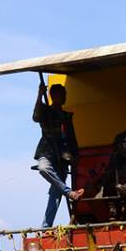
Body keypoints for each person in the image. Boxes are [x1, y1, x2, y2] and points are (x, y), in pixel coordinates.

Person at [33, 82, 84, 227]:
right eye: (62, 94)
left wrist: (75, 155)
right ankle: (70, 193)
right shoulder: (46, 112)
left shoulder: (66, 116)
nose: (64, 97)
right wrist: (39, 95)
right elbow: (36, 117)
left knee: (56, 193)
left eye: (65, 94)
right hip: (47, 151)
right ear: (53, 96)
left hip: (62, 157)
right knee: (43, 168)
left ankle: (46, 226)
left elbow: (71, 137)